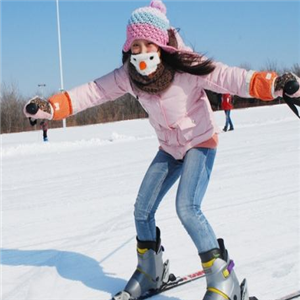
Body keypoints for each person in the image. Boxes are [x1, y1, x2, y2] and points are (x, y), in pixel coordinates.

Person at [23, 1, 300, 299]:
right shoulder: (129, 77)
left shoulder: (187, 66)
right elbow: (92, 92)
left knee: (187, 208)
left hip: (199, 142)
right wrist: (50, 107)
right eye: (135, 46)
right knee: (142, 209)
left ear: (162, 43)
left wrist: (275, 85)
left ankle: (224, 280)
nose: (142, 53)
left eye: (148, 44)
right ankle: (150, 271)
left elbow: (232, 78)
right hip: (169, 148)